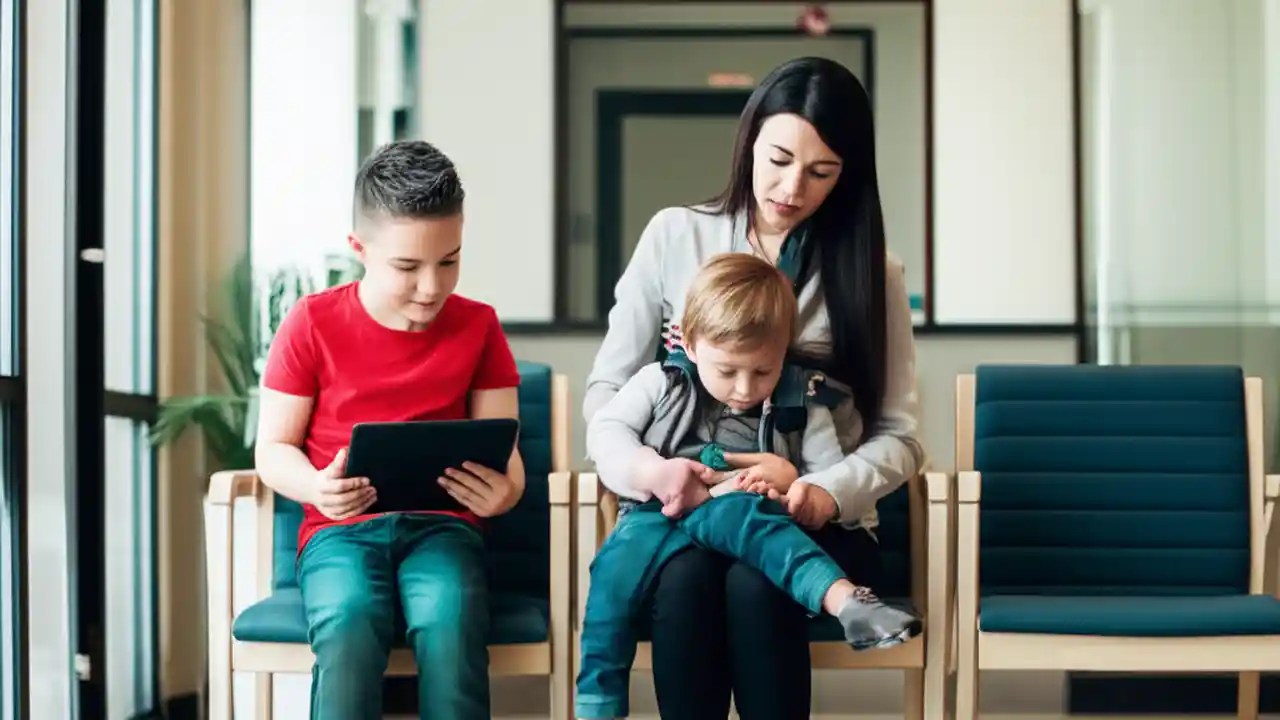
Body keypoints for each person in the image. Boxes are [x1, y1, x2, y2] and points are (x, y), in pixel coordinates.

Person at [583, 56, 926, 719]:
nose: (791, 188)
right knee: (684, 580)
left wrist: (820, 490)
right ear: (748, 144)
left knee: (754, 583)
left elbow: (902, 435)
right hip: (685, 503)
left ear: (847, 174)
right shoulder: (674, 236)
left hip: (816, 519)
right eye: (777, 159)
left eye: (820, 172)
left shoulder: (870, 271)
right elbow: (608, 394)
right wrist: (655, 472)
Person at [576, 253, 921, 720]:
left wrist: (792, 482)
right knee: (623, 590)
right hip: (662, 520)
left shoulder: (801, 402)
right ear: (692, 346)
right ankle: (598, 703)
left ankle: (849, 604)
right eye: (727, 371)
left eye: (763, 371)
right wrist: (652, 471)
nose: (744, 388)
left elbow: (826, 480)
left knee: (745, 540)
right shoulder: (659, 383)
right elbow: (605, 434)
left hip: (752, 521)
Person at [254, 140, 525, 720]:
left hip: (444, 528)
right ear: (360, 249)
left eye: (449, 261)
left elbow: (506, 447)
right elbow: (273, 449)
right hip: (340, 529)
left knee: (448, 616)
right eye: (407, 266)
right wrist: (314, 488)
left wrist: (508, 492)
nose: (431, 286)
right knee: (349, 619)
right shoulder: (311, 321)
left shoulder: (479, 325)